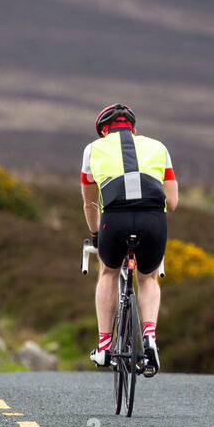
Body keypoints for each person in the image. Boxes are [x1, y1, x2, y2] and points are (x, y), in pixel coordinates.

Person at [80, 104, 178, 371]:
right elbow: (174, 201)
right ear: (133, 128)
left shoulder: (92, 149)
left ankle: (103, 347)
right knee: (147, 277)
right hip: (153, 219)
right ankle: (149, 337)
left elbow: (90, 205)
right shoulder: (159, 147)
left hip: (115, 220)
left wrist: (96, 235)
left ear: (104, 131)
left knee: (109, 272)